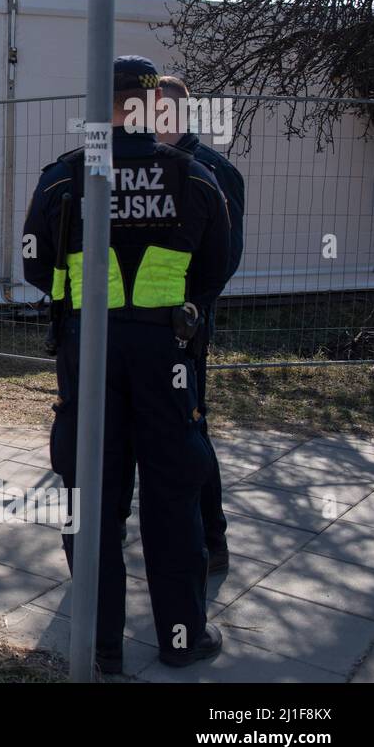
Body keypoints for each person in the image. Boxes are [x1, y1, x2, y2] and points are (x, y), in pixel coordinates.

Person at [22, 56, 231, 671]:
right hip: (167, 353)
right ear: (148, 103)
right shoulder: (194, 176)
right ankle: (181, 639)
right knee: (172, 495)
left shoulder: (66, 178)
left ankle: (101, 646)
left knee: (90, 497)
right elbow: (217, 268)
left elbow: (36, 263)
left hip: (89, 353)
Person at [116, 76, 244, 573]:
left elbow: (225, 257)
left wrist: (186, 310)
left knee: (189, 429)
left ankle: (211, 538)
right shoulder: (131, 164)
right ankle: (129, 527)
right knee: (126, 428)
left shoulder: (211, 170)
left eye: (163, 110)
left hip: (183, 327)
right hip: (131, 325)